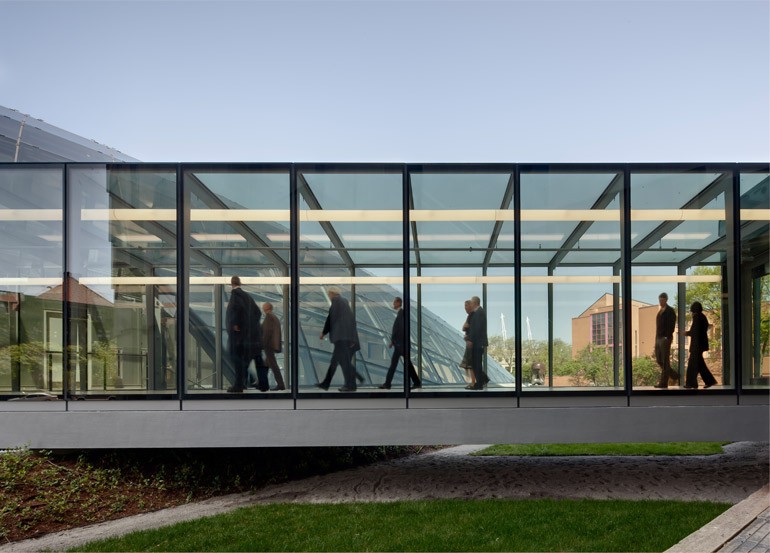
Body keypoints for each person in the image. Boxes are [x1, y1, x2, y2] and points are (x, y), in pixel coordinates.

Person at [316, 287, 361, 392]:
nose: (329, 296)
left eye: (329, 294)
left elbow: (330, 318)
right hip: (346, 338)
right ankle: (327, 383)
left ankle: (350, 385)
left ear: (332, 293)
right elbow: (351, 320)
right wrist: (352, 338)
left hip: (342, 338)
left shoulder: (336, 301)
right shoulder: (344, 302)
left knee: (342, 361)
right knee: (337, 361)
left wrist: (324, 332)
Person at [225, 276, 265, 392]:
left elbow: (236, 310)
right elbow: (257, 312)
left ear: (231, 284)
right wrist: (250, 327)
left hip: (239, 338)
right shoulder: (248, 296)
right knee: (244, 361)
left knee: (235, 358)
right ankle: (243, 383)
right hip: (250, 338)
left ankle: (239, 385)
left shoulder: (235, 295)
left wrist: (237, 324)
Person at [379, 297, 421, 390]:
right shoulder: (401, 313)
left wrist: (396, 342)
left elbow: (401, 329)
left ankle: (387, 384)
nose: (393, 304)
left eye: (394, 302)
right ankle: (417, 382)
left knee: (394, 365)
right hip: (402, 344)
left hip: (400, 345)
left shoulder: (401, 313)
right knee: (407, 365)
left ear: (398, 302)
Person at [683, 301, 718, 389]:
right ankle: (709, 381)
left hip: (697, 346)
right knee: (700, 365)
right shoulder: (703, 317)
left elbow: (694, 331)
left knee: (692, 364)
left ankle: (691, 384)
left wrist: (685, 333)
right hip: (701, 345)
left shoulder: (697, 317)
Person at [654, 292, 678, 389]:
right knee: (659, 360)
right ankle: (674, 375)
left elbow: (672, 325)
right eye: (659, 300)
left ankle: (663, 383)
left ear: (666, 300)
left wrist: (667, 337)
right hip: (658, 338)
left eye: (662, 300)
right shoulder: (660, 311)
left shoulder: (670, 311)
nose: (660, 302)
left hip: (665, 338)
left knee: (665, 360)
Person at [261, 302, 286, 391]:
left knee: (273, 365)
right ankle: (262, 383)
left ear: (267, 307)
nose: (262, 307)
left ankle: (280, 384)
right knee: (266, 364)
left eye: (263, 306)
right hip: (272, 345)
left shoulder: (269, 317)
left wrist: (262, 344)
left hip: (269, 345)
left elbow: (267, 332)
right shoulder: (274, 317)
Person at [466, 296, 488, 390]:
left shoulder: (479, 313)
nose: (470, 304)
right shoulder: (478, 312)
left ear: (475, 303)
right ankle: (481, 382)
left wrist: (471, 339)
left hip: (478, 343)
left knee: (477, 363)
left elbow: (477, 328)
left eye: (471, 302)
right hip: (478, 342)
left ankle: (480, 383)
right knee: (476, 363)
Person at [460, 300, 475, 388]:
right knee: (470, 363)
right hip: (470, 342)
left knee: (470, 363)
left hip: (471, 342)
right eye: (464, 306)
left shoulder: (472, 315)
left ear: (471, 306)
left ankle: (473, 382)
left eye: (466, 305)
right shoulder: (470, 315)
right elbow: (464, 327)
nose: (465, 308)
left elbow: (466, 327)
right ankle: (476, 381)